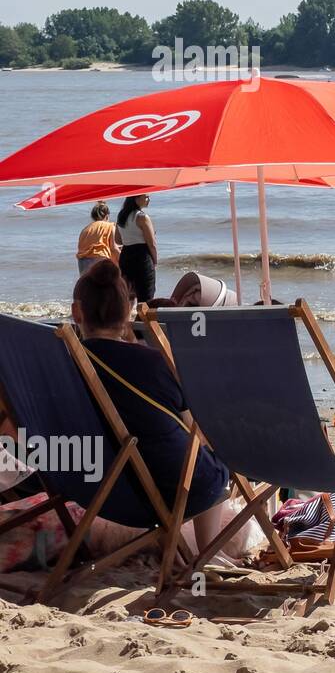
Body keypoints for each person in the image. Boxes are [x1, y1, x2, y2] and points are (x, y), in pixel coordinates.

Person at [71, 260, 231, 555]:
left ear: (76, 312)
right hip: (168, 490)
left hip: (90, 486)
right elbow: (193, 427)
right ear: (127, 315)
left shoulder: (62, 363)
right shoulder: (154, 364)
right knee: (211, 451)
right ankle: (209, 553)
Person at [116, 195, 158, 306]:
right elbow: (152, 244)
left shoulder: (121, 216)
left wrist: (129, 236)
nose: (149, 199)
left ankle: (125, 320)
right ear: (136, 199)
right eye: (146, 197)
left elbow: (118, 240)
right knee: (146, 295)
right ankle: (144, 321)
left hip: (126, 255)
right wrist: (155, 261)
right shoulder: (142, 217)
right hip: (142, 255)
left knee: (127, 293)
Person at [76, 201, 121, 274]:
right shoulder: (110, 226)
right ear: (107, 216)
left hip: (82, 261)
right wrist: (123, 262)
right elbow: (114, 248)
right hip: (99, 260)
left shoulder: (85, 229)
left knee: (88, 285)